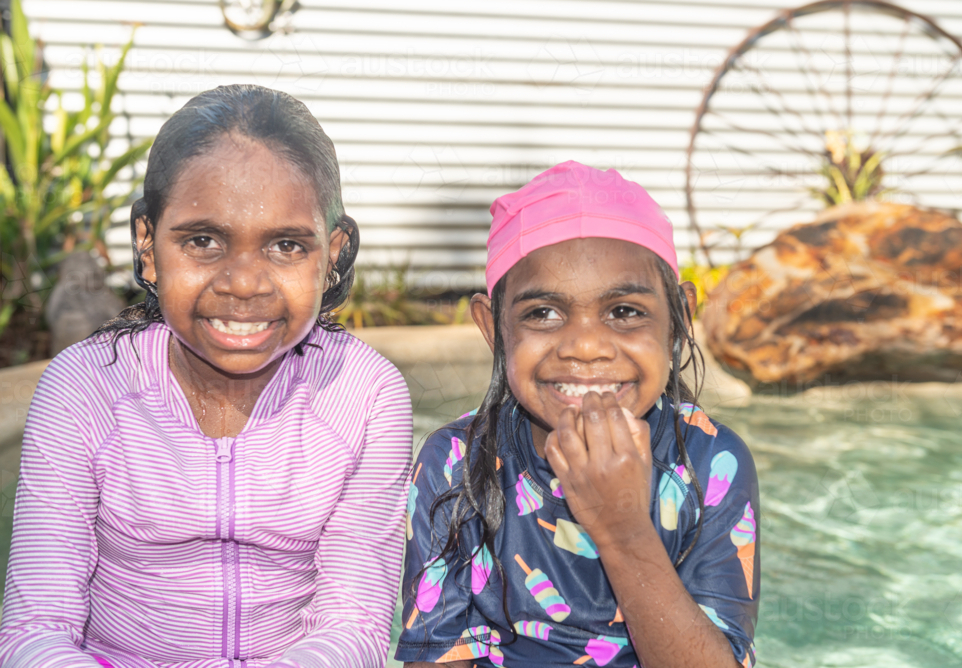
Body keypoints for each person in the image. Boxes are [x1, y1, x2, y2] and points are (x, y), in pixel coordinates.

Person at [0, 84, 413, 667]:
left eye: (287, 246)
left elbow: (356, 629)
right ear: (147, 245)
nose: (243, 283)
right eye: (203, 240)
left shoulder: (364, 395)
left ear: (333, 253)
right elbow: (33, 631)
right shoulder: (85, 388)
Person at [395, 161, 759, 667]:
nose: (586, 346)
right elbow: (437, 657)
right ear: (492, 327)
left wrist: (622, 528)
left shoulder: (711, 462)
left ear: (678, 322)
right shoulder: (456, 461)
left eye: (625, 311)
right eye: (543, 313)